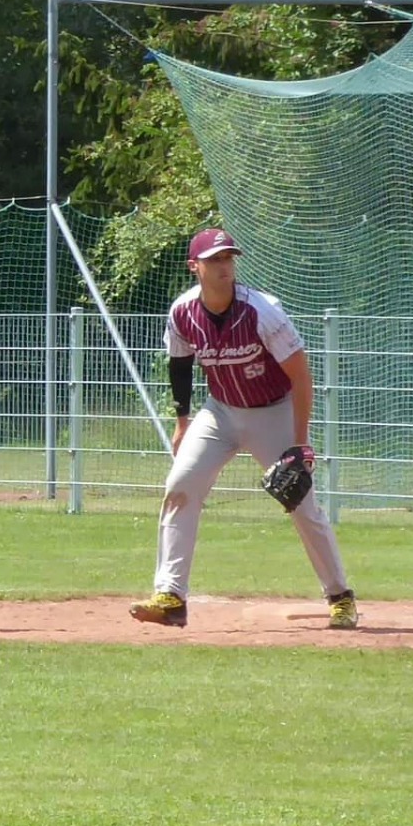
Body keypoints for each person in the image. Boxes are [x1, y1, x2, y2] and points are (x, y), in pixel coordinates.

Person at [129, 227, 356, 629]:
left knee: (302, 504)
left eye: (228, 258)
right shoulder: (183, 312)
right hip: (220, 413)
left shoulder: (262, 311)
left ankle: (340, 596)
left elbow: (301, 376)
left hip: (274, 410)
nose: (224, 266)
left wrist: (299, 444)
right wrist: (182, 421)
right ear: (194, 266)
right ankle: (170, 596)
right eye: (215, 259)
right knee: (181, 485)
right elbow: (179, 365)